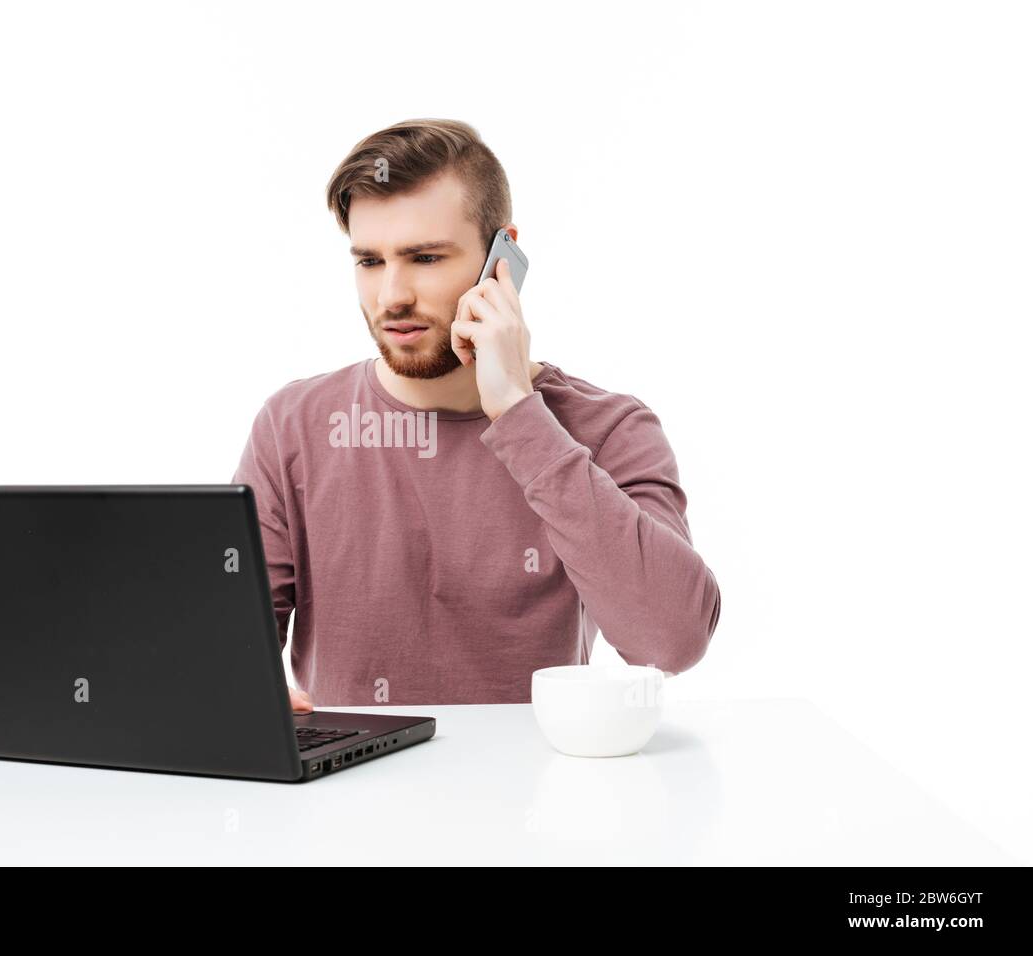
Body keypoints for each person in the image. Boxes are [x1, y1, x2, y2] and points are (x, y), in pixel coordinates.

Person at [232, 118, 721, 713]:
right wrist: (235, 692)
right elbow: (228, 652)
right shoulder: (294, 427)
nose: (391, 296)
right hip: (346, 799)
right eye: (369, 261)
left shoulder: (608, 427)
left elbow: (671, 641)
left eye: (425, 257)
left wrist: (517, 411)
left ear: (502, 261)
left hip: (540, 799)